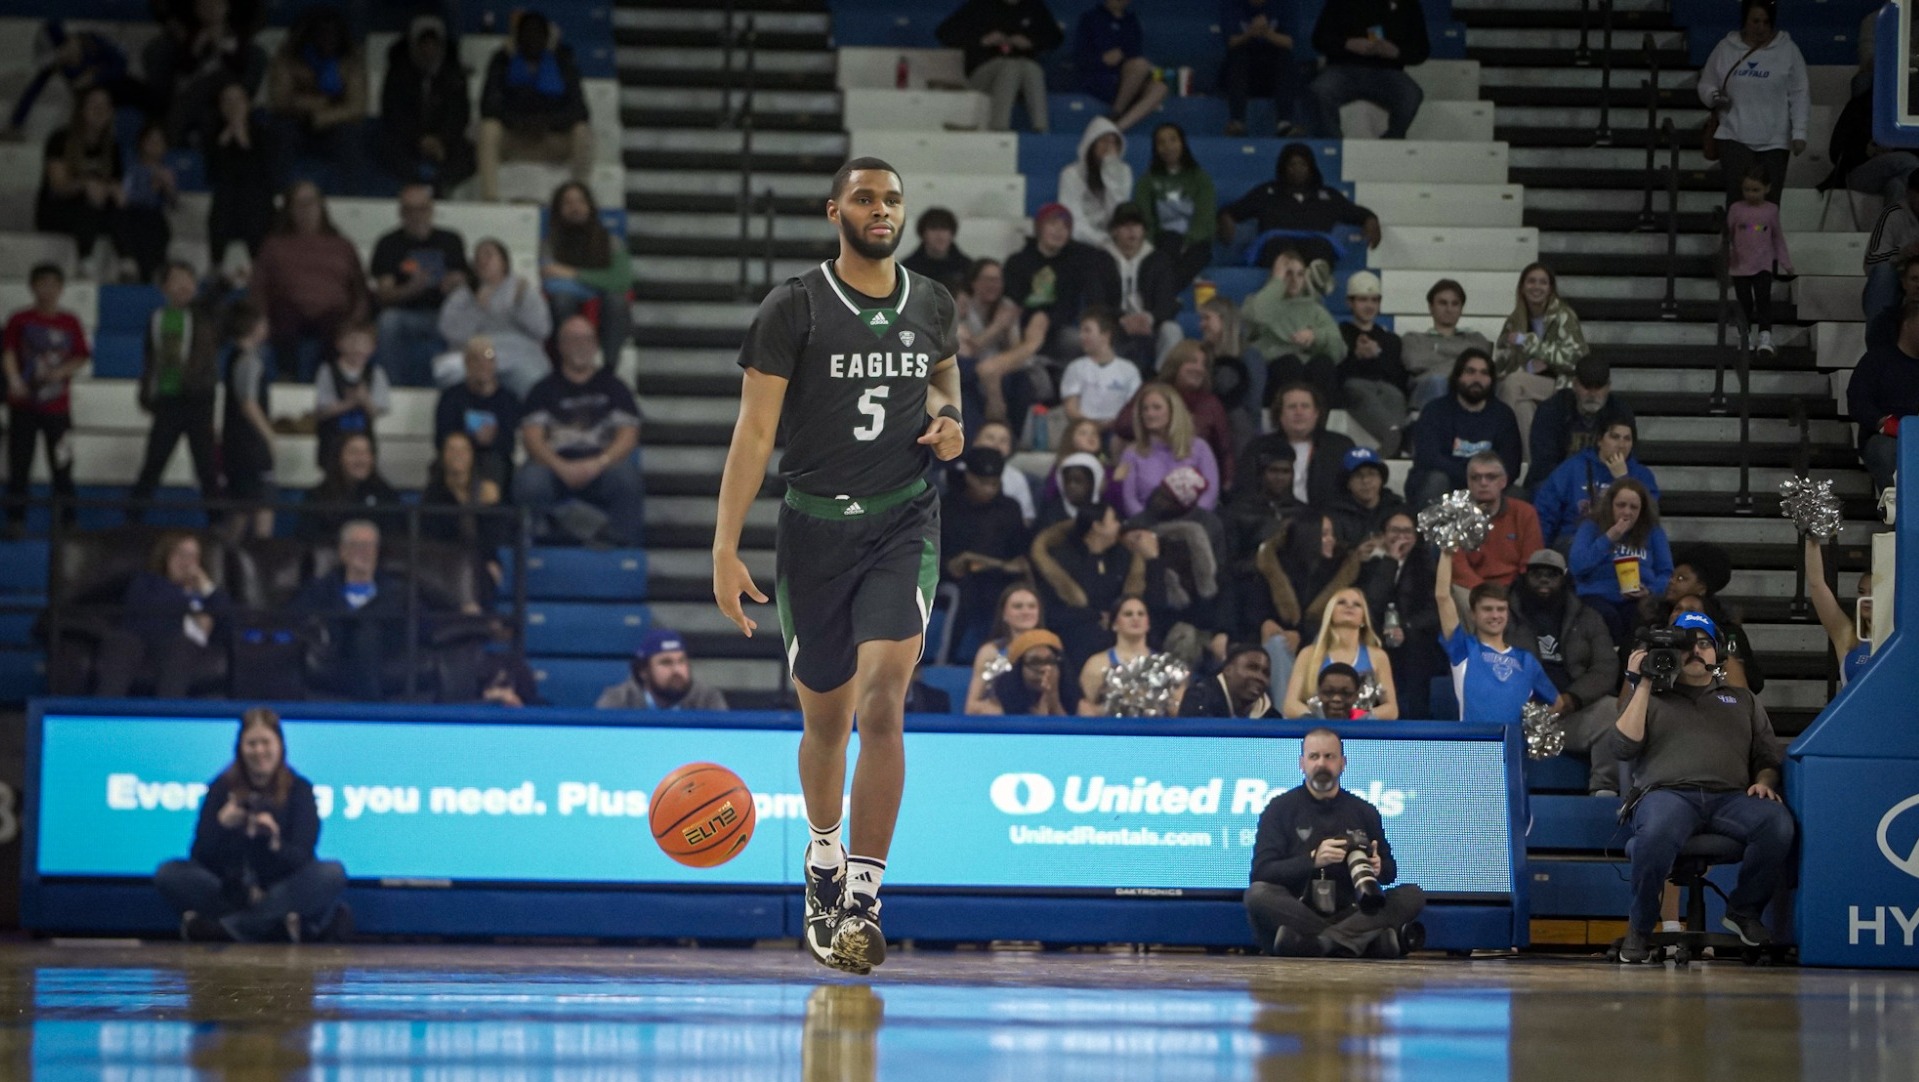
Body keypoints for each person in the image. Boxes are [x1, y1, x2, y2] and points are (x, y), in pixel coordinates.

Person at [714, 157, 966, 975]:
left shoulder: (930, 301)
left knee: (883, 702)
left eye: (893, 197)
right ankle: (821, 857)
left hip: (903, 519)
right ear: (835, 211)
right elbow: (754, 435)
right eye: (865, 198)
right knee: (824, 720)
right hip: (813, 531)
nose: (882, 209)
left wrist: (949, 421)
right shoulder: (793, 306)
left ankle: (862, 892)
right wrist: (724, 546)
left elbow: (941, 382)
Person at [1612, 610, 1795, 963]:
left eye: (1704, 644)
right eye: (1685, 644)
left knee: (1777, 822)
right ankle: (1640, 926)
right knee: (1658, 831)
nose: (1695, 651)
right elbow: (1622, 748)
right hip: (1668, 795)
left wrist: (1764, 782)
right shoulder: (1648, 696)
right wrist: (1644, 682)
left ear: (1717, 653)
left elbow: (1769, 758)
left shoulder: (1743, 700)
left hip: (1730, 799)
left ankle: (1742, 910)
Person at [155, 709, 348, 943]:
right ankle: (272, 927)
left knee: (331, 873)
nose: (259, 751)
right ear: (240, 747)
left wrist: (275, 843)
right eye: (252, 744)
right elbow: (199, 855)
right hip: (230, 891)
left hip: (278, 890)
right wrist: (222, 826)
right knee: (169, 872)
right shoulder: (221, 788)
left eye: (266, 743)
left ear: (280, 746)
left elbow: (303, 858)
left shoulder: (299, 790)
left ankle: (229, 929)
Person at [1246, 729, 1426, 957]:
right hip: (1299, 912)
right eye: (1314, 757)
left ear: (1343, 763)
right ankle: (1358, 942)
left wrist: (1379, 867)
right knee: (1257, 894)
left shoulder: (1364, 811)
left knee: (1413, 895)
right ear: (1302, 763)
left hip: (1353, 910)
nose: (1321, 763)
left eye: (1329, 757)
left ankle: (1317, 945)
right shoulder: (1279, 808)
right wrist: (1313, 860)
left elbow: (1390, 873)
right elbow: (1261, 872)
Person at [517, 316, 646, 546]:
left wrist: (598, 463)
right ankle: (537, 547)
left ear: (596, 344)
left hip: (602, 465)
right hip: (554, 466)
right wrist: (561, 466)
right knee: (530, 481)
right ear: (560, 345)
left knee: (626, 478)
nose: (581, 345)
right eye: (573, 339)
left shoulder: (614, 387)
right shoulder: (542, 389)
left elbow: (628, 436)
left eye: (586, 339)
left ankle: (622, 549)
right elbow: (532, 438)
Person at [1506, 550, 1622, 794]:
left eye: (1552, 575)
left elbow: (1606, 667)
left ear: (1565, 580)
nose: (1545, 580)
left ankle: (1604, 791)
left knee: (1612, 710)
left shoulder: (1588, 617)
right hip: (1520, 714)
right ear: (1525, 578)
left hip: (1571, 713)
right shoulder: (1505, 615)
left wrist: (1571, 699)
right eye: (1537, 574)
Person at [250, 180, 368, 380]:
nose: (306, 210)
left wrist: (357, 318)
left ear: (321, 205)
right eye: (299, 204)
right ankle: (287, 378)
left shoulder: (342, 246)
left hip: (333, 313)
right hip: (287, 313)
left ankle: (330, 381)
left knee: (337, 325)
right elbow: (258, 287)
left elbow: (359, 288)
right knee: (283, 317)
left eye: (311, 202)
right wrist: (260, 317)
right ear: (289, 209)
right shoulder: (274, 245)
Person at [129, 263, 220, 518]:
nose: (184, 286)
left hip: (199, 398)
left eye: (189, 280)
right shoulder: (156, 318)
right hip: (168, 399)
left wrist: (224, 282)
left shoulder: (204, 315)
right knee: (154, 462)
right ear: (164, 287)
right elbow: (150, 359)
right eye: (177, 280)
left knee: (206, 465)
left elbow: (215, 298)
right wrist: (146, 392)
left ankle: (216, 521)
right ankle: (133, 521)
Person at [1697, 0, 1809, 208]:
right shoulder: (1725, 48)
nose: (1760, 27)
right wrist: (1714, 96)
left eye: (1766, 22)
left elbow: (1799, 93)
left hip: (1775, 139)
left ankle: (1763, 239)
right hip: (1734, 134)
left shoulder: (1788, 50)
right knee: (1738, 200)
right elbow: (1706, 83)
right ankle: (1734, 239)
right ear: (1745, 21)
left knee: (1769, 203)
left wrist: (1799, 132)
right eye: (1755, 21)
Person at [1434, 547, 1565, 725]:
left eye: (1501, 609)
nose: (1495, 615)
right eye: (1487, 609)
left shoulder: (1526, 660)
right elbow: (1442, 597)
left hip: (1513, 749)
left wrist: (1536, 727)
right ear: (1473, 614)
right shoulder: (1464, 649)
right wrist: (1447, 551)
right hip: (1475, 747)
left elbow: (1557, 703)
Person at [95, 532, 234, 698]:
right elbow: (145, 612)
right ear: (166, 557)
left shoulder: (207, 593)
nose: (187, 562)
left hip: (180, 645)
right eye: (181, 554)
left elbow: (228, 622)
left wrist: (207, 587)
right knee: (121, 643)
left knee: (182, 647)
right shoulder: (147, 581)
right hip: (139, 637)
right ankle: (108, 716)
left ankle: (167, 717)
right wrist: (188, 614)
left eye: (193, 556)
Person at [3, 263, 87, 535]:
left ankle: (67, 521)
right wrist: (14, 380)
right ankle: (16, 520)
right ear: (32, 286)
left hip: (58, 408)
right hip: (23, 406)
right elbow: (8, 352)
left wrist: (60, 372)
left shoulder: (70, 322)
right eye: (42, 283)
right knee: (19, 466)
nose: (47, 290)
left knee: (62, 466)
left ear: (61, 289)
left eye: (53, 284)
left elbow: (81, 355)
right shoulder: (19, 319)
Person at [290, 519, 417, 700]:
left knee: (367, 633)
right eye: (358, 546)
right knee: (363, 632)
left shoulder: (395, 589)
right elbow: (293, 615)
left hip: (384, 646)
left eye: (370, 546)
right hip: (338, 646)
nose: (365, 552)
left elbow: (422, 622)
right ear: (343, 552)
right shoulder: (324, 588)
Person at [478, 9, 592, 202]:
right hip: (515, 139)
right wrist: (519, 122)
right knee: (488, 129)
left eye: (538, 34)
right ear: (517, 38)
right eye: (527, 33)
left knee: (582, 131)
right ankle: (490, 198)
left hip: (550, 140)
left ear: (547, 38)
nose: (532, 39)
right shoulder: (502, 60)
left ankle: (581, 197)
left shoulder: (563, 61)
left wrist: (548, 123)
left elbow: (580, 110)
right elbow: (488, 106)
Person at [1030, 502, 1164, 665]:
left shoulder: (1123, 557)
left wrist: (1153, 560)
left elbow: (1155, 602)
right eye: (1114, 520)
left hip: (1119, 634)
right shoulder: (1061, 559)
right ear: (1097, 526)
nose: (1119, 525)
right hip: (1078, 637)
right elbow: (1051, 613)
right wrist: (1096, 616)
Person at [1220, 144, 1382, 270]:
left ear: (1311, 168)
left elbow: (1357, 213)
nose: (1297, 169)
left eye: (1302, 164)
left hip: (1316, 246)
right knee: (1280, 249)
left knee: (1321, 248)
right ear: (1283, 168)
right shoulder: (1266, 192)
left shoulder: (1328, 195)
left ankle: (1316, 284)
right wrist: (1226, 218)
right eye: (1292, 165)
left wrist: (1371, 220)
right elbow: (1233, 210)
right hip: (1277, 246)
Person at [370, 183, 470, 387]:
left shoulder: (451, 240)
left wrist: (458, 282)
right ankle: (394, 388)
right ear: (401, 213)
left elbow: (465, 279)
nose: (417, 215)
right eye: (410, 210)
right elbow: (384, 295)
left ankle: (456, 391)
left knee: (469, 321)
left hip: (446, 313)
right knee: (388, 322)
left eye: (422, 208)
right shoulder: (388, 244)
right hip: (405, 314)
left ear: (432, 210)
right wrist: (411, 289)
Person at [263, 5, 369, 193]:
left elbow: (356, 107)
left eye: (332, 33)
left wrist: (322, 116)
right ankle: (276, 194)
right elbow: (279, 100)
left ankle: (353, 198)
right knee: (279, 134)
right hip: (295, 121)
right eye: (321, 33)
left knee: (351, 138)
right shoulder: (288, 56)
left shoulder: (350, 59)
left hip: (334, 123)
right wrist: (315, 104)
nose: (327, 38)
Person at [940, 447, 1031, 659]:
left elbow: (1018, 554)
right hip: (955, 579)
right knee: (962, 593)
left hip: (998, 576)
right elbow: (937, 554)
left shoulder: (1009, 509)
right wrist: (950, 565)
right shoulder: (947, 507)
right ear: (969, 477)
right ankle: (946, 660)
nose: (989, 489)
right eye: (983, 483)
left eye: (994, 483)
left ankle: (1018, 656)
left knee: (1018, 594)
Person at [1003, 202, 1122, 363]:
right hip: (1023, 329)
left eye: (1065, 227)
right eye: (1053, 224)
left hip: (1059, 330)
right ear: (1039, 228)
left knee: (1091, 341)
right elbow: (1011, 303)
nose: (1059, 231)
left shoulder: (1074, 262)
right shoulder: (1018, 262)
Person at [1354, 511, 1443, 720]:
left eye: (1407, 532)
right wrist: (1391, 560)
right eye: (1395, 531)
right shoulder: (1370, 564)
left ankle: (1415, 721)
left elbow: (1434, 611)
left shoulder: (1426, 565)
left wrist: (1407, 627)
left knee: (1417, 653)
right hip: (1375, 637)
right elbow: (1371, 602)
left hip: (1414, 641)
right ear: (1383, 534)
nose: (1401, 537)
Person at [1407, 349, 1522, 509]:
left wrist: (1484, 481)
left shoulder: (1503, 414)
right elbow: (1428, 458)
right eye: (1470, 372)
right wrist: (1472, 477)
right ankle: (1428, 534)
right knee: (1436, 480)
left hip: (1486, 484)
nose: (1477, 379)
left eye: (1484, 373)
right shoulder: (1435, 410)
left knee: (1519, 495)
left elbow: (1511, 465)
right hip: (1445, 482)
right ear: (1458, 376)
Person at [1494, 263, 1588, 458]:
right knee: (1523, 408)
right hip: (1530, 385)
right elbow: (1502, 363)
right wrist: (1528, 366)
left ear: (1550, 289)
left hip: (1561, 386)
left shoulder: (1564, 316)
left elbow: (1577, 359)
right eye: (1531, 281)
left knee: (1513, 383)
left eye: (1543, 282)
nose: (1536, 287)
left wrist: (1531, 345)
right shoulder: (1514, 320)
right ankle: (1529, 466)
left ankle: (1500, 448)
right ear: (1522, 287)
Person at [439, 238, 554, 396]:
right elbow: (449, 333)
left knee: (534, 382)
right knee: (446, 371)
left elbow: (543, 330)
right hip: (477, 355)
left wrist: (519, 306)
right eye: (478, 257)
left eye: (489, 255)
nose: (483, 261)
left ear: (504, 263)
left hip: (519, 354)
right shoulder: (462, 296)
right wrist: (477, 309)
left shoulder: (522, 290)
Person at [1113, 341, 1235, 490]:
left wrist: (1227, 485)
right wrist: (1162, 423)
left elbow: (1224, 449)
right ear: (1176, 364)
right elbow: (1122, 424)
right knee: (1119, 442)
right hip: (1149, 465)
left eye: (1203, 364)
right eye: (1192, 362)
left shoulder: (1210, 403)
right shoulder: (1152, 390)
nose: (1199, 368)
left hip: (1191, 473)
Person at [1569, 478, 1674, 649]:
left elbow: (1666, 572)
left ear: (1642, 510)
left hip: (1637, 599)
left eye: (1634, 507)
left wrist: (1651, 590)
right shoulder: (1591, 526)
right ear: (1610, 505)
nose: (1627, 512)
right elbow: (1577, 566)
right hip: (1596, 596)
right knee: (1607, 617)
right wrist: (1609, 537)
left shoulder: (1653, 532)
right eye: (1621, 505)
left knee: (1639, 621)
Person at [143, 0, 266, 145]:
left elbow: (237, 70)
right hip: (194, 93)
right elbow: (185, 70)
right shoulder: (191, 38)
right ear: (197, 10)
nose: (211, 10)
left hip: (227, 96)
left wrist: (221, 47)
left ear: (226, 8)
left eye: (216, 5)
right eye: (205, 6)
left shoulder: (236, 38)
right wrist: (196, 48)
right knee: (191, 110)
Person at [378, 15, 477, 194]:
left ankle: (442, 187)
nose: (428, 50)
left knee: (467, 153)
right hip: (408, 138)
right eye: (423, 44)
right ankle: (412, 185)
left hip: (445, 141)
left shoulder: (454, 75)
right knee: (387, 147)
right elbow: (393, 114)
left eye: (434, 44)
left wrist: (441, 140)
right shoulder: (398, 74)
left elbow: (459, 114)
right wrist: (419, 139)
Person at [1304, 0, 1429, 140]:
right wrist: (1347, 44)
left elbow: (1421, 51)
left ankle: (1392, 142)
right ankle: (1335, 145)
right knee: (1320, 90)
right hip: (1343, 68)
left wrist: (1397, 52)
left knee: (1411, 94)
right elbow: (1319, 38)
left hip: (1387, 72)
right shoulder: (1339, 3)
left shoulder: (1408, 5)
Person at [543, 180, 634, 366]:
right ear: (559, 210)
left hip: (604, 307)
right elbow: (549, 280)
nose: (575, 207)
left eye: (580, 201)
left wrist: (572, 274)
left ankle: (609, 371)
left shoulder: (611, 241)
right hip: (568, 304)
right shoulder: (549, 244)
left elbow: (622, 280)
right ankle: (567, 367)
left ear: (589, 206)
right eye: (568, 203)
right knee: (562, 299)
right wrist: (599, 281)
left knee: (616, 301)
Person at [935, 0, 1062, 134]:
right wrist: (982, 40)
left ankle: (1041, 127)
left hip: (1021, 74)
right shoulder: (979, 6)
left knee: (1033, 68)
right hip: (982, 75)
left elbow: (1055, 37)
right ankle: (999, 127)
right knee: (1010, 65)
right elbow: (944, 33)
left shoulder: (1033, 7)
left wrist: (1032, 42)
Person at [34, 86, 124, 269]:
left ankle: (128, 262)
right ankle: (85, 260)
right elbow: (58, 186)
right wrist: (85, 185)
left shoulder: (112, 147)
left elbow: (115, 184)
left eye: (105, 105)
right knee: (87, 205)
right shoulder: (60, 139)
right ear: (81, 109)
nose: (100, 110)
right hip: (58, 209)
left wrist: (113, 190)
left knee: (126, 213)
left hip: (96, 212)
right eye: (94, 105)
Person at [1533, 418, 1659, 549]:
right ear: (1599, 440)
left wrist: (1623, 479)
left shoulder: (1642, 475)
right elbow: (1545, 512)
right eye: (1615, 437)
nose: (1621, 444)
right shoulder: (1573, 468)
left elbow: (1648, 516)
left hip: (1624, 542)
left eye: (1627, 439)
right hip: (1574, 539)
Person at [7, 19, 143, 137]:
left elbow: (121, 63)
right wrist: (16, 122)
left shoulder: (92, 42)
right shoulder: (60, 65)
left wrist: (94, 77)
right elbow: (34, 90)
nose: (64, 59)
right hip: (90, 106)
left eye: (63, 53)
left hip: (118, 93)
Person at [1240, 248, 1342, 400]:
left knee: (1323, 364)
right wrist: (1276, 284)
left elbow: (1339, 349)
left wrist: (1315, 336)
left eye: (1300, 274)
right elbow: (1255, 317)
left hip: (1308, 372)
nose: (1295, 280)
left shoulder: (1314, 308)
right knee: (1289, 363)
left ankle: (1318, 419)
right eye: (1288, 273)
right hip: (1274, 371)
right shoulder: (1257, 303)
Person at [1522, 354, 1635, 491]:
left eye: (1598, 387)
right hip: (1557, 483)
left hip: (1605, 483)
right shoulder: (1552, 410)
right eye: (1587, 387)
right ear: (1575, 384)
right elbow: (1544, 464)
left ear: (1608, 387)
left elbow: (1629, 459)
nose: (1592, 394)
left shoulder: (1620, 412)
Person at [1282, 587, 1399, 719]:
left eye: (1357, 604)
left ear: (1363, 619)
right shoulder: (1308, 654)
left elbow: (1391, 709)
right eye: (1341, 602)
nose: (1349, 606)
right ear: (1330, 613)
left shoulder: (1378, 656)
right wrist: (1318, 719)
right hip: (1318, 733)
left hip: (1360, 735)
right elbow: (1290, 706)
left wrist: (1360, 718)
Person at [1236, 382, 1355, 511]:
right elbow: (1245, 491)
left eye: (1305, 406)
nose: (1299, 412)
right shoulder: (1259, 447)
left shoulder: (1340, 445)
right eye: (1292, 407)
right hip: (1274, 519)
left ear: (1316, 413)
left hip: (1327, 520)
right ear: (1280, 414)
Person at [957, 258, 1044, 427]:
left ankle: (1013, 435)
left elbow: (1016, 352)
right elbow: (969, 349)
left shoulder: (1006, 306)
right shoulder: (963, 306)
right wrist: (997, 327)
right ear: (974, 282)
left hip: (1000, 369)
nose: (994, 284)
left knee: (1023, 381)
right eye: (988, 279)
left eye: (997, 280)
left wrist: (1010, 329)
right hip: (970, 368)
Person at [1846, 297, 1919, 494]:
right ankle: (1901, 517)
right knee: (1887, 451)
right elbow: (1857, 400)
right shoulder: (1878, 360)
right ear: (1907, 325)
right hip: (1887, 437)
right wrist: (1882, 422)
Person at [205, 77, 278, 270]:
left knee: (253, 204)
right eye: (227, 101)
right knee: (224, 200)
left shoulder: (263, 133)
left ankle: (261, 269)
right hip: (227, 204)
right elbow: (211, 173)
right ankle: (217, 267)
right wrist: (224, 140)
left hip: (257, 203)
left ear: (248, 103)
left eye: (238, 100)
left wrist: (244, 141)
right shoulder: (214, 136)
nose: (233, 106)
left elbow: (269, 174)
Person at [421, 431, 509, 588]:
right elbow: (432, 539)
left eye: (463, 449)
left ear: (472, 455)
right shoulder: (433, 495)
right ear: (443, 455)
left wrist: (490, 560)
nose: (458, 454)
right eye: (452, 449)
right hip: (444, 565)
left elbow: (492, 536)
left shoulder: (486, 492)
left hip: (479, 564)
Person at [1117, 383, 1220, 518]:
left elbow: (1211, 493)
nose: (1149, 413)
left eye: (1156, 408)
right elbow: (1128, 498)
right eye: (1145, 409)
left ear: (1174, 411)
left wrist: (1193, 519)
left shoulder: (1200, 447)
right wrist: (1146, 523)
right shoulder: (1130, 453)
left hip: (1194, 522)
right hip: (1147, 525)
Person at [1133, 123, 1216, 289]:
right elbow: (1144, 218)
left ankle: (1163, 297)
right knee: (1168, 244)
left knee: (1198, 254)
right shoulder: (1147, 181)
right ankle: (1165, 300)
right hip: (1164, 242)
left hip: (1195, 244)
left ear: (1182, 143)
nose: (1168, 146)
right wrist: (1148, 246)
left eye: (1173, 140)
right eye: (1161, 142)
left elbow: (1205, 218)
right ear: (1155, 148)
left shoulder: (1200, 178)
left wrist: (1187, 243)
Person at [1451, 451, 1545, 598]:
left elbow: (1530, 563)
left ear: (1504, 481)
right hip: (1472, 590)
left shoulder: (1525, 513)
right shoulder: (1455, 515)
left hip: (1515, 590)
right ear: (1468, 482)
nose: (1483, 483)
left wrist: (1511, 593)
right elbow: (1457, 567)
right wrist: (1485, 593)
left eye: (1491, 477)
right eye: (1476, 478)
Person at [1335, 270, 1409, 454]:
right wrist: (1357, 356)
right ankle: (1394, 436)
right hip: (1356, 388)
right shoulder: (1339, 334)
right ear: (1350, 303)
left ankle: (1395, 437)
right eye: (1363, 300)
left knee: (1394, 395)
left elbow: (1395, 375)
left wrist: (1376, 354)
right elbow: (1338, 374)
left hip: (1385, 389)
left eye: (1374, 300)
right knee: (1360, 389)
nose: (1369, 305)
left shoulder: (1390, 340)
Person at [220, 299, 276, 540]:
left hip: (237, 444)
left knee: (242, 508)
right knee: (262, 505)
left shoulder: (234, 357)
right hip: (249, 445)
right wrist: (269, 435)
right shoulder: (248, 360)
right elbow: (248, 403)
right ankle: (260, 558)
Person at [435, 337, 523, 490]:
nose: (483, 365)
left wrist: (491, 439)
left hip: (495, 460)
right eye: (476, 359)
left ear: (495, 363)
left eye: (488, 358)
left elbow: (509, 442)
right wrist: (472, 440)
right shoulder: (451, 397)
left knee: (493, 465)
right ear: (466, 363)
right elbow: (441, 438)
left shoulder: (508, 399)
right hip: (457, 457)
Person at [1101, 202, 1182, 365]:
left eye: (1136, 225)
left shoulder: (1159, 260)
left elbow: (1167, 303)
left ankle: (1162, 381)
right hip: (1113, 323)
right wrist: (1122, 319)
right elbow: (1095, 301)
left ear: (1144, 230)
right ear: (1114, 231)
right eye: (1125, 225)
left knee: (1172, 330)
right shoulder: (1100, 259)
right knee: (1096, 329)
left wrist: (1149, 318)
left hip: (1150, 324)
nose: (1131, 230)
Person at [1727, 166, 1795, 358]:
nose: (1751, 194)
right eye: (1746, 190)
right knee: (1745, 302)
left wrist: (1786, 262)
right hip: (1740, 265)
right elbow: (1728, 235)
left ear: (1767, 188)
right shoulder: (1736, 209)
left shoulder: (1771, 210)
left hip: (1763, 264)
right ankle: (1745, 335)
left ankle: (1765, 336)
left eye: (1755, 190)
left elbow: (1777, 237)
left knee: (1763, 300)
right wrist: (1727, 260)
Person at [1072, 0, 1170, 134]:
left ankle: (1117, 128)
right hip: (1099, 77)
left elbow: (1135, 52)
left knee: (1160, 87)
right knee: (1140, 65)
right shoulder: (1090, 18)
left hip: (1129, 78)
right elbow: (1079, 57)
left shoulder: (1131, 21)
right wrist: (1102, 59)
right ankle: (1116, 112)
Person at [312, 320, 392, 471]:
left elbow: (377, 411)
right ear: (340, 343)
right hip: (333, 440)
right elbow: (322, 410)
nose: (357, 347)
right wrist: (351, 402)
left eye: (363, 343)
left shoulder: (376, 373)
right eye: (352, 341)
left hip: (363, 438)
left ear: (373, 347)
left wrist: (365, 400)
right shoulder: (327, 371)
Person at [1402, 279, 1493, 411]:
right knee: (1438, 381)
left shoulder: (1476, 339)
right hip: (1426, 399)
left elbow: (1485, 365)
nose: (1449, 309)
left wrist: (1438, 350)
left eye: (1455, 304)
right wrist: (1464, 360)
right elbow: (1415, 363)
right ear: (1430, 307)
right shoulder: (1414, 339)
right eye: (1443, 303)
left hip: (1468, 396)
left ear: (1461, 309)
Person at [300, 433, 403, 543]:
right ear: (338, 457)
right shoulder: (318, 495)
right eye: (354, 452)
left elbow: (396, 536)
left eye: (366, 452)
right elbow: (307, 537)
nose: (361, 459)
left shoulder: (386, 495)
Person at [596, 628, 731, 710]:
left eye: (681, 661)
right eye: (666, 663)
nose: (677, 670)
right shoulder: (618, 700)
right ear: (643, 671)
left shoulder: (707, 699)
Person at [963, 584, 1046, 714]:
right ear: (1004, 614)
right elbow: (971, 706)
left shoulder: (1050, 652)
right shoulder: (990, 652)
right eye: (1018, 606)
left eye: (1032, 606)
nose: (1026, 611)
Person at [1804, 535, 1875, 686]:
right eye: (1862, 592)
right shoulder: (1847, 635)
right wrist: (1812, 537)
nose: (1866, 599)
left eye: (1874, 592)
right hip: (1856, 710)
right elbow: (1817, 584)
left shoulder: (1902, 638)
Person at [1222, 0, 1299, 137]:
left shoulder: (1282, 5)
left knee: (1284, 56)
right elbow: (1231, 42)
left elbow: (1289, 42)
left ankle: (1284, 123)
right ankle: (1237, 121)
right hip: (1245, 75)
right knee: (1238, 55)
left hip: (1273, 75)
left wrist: (1266, 33)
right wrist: (1250, 33)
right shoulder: (1234, 5)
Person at [1061, 309, 1144, 431]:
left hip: (1118, 429)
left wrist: (1114, 424)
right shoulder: (1075, 367)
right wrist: (1092, 426)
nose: (1081, 336)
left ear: (1106, 335)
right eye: (1081, 331)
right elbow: (1070, 408)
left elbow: (1134, 407)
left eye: (1087, 331)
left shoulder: (1129, 369)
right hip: (1084, 428)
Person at [118, 123, 178, 283]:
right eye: (150, 140)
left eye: (160, 141)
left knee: (160, 228)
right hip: (133, 214)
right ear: (142, 143)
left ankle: (155, 273)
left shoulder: (166, 171)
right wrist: (151, 187)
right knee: (136, 223)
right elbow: (127, 197)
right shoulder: (133, 169)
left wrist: (169, 187)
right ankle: (132, 267)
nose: (155, 145)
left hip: (155, 218)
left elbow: (173, 204)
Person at [1863, 172, 1919, 327]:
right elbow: (1872, 261)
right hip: (1897, 281)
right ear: (1910, 194)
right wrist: (1904, 252)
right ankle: (1879, 344)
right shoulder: (1892, 214)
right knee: (1883, 273)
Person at [1327, 447, 1404, 549]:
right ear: (1347, 483)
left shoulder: (1398, 509)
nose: (1366, 481)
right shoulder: (1333, 517)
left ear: (1381, 479)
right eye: (1358, 475)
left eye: (1372, 473)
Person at [988, 629, 1079, 715]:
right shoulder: (995, 708)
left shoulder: (1082, 707)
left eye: (1050, 661)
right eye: (1035, 662)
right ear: (1018, 669)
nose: (1044, 668)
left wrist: (1054, 702)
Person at [1180, 642, 1278, 717]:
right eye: (1252, 667)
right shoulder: (1198, 699)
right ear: (1228, 670)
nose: (1259, 677)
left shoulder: (1271, 717)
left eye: (1266, 673)